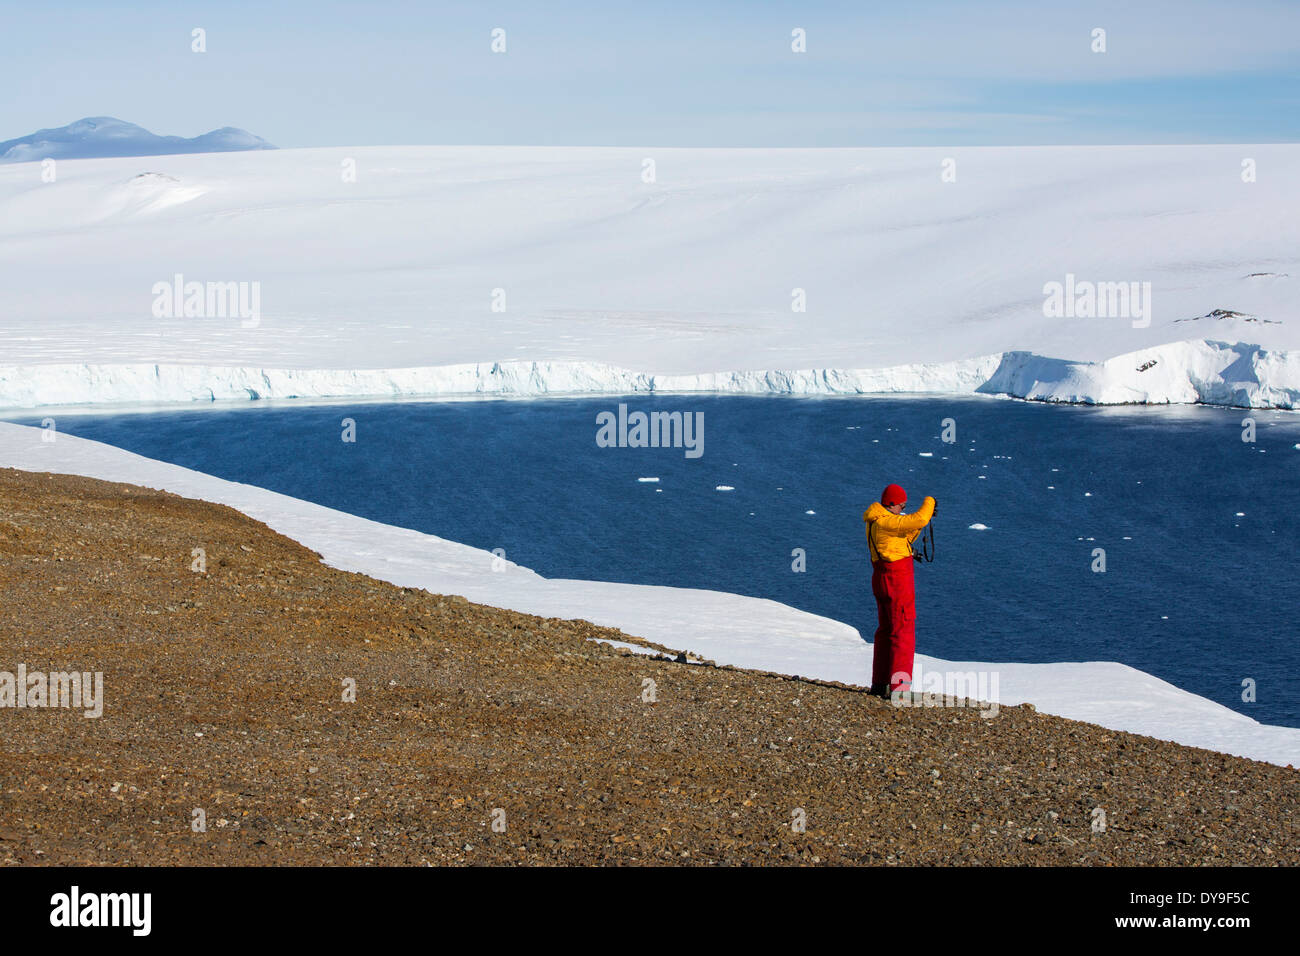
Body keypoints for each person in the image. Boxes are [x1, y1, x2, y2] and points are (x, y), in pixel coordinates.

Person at [863, 484, 936, 699]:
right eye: (901, 506)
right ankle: (900, 690)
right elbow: (917, 520)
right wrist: (930, 502)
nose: (902, 510)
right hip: (897, 582)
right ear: (892, 504)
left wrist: (918, 526)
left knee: (886, 630)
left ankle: (880, 684)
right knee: (903, 631)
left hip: (881, 579)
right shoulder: (887, 522)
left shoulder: (875, 520)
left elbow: (904, 536)